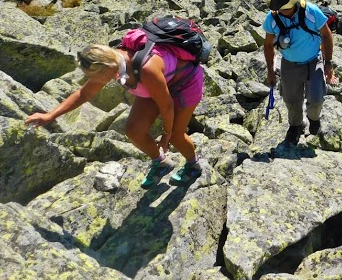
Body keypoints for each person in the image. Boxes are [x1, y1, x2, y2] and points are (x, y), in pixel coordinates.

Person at [26, 23, 208, 187]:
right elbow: (84, 94)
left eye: (94, 76)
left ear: (108, 68)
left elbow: (166, 107)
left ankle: (194, 164)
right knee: (134, 131)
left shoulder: (146, 69)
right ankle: (160, 163)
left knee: (177, 135)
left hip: (186, 82)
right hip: (156, 84)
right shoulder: (111, 65)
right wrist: (50, 116)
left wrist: (166, 136)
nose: (92, 81)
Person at [261, 0, 338, 147]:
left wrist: (328, 63)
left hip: (313, 61)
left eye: (285, 7)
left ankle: (314, 119)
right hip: (289, 64)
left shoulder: (311, 11)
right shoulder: (272, 18)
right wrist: (270, 71)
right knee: (290, 99)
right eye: (280, 7)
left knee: (316, 98)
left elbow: (326, 35)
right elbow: (268, 45)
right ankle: (295, 126)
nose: (283, 11)